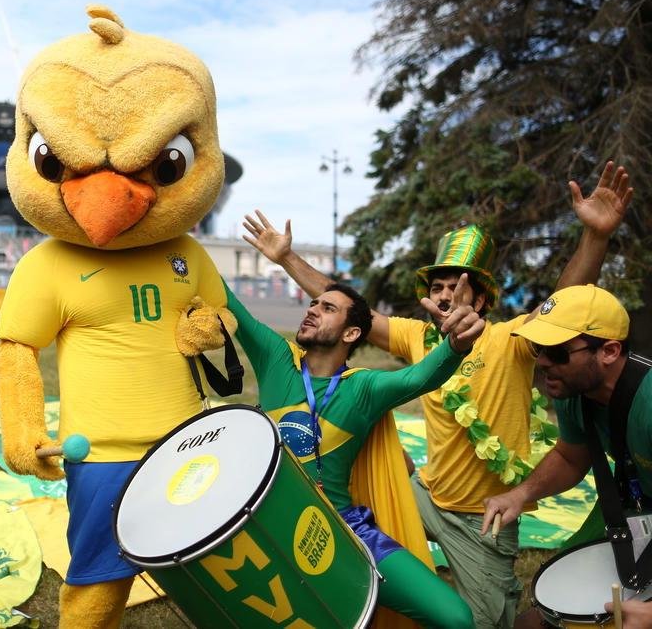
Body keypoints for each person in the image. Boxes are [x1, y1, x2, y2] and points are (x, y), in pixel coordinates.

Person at [242, 161, 633, 628]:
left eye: (458, 287)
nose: (446, 296)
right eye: (438, 288)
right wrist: (286, 259)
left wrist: (595, 237)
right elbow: (348, 307)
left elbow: (566, 303)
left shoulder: (512, 339)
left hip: (480, 518)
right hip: (424, 494)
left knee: (485, 623)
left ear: (482, 301)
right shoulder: (416, 337)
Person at [226, 275, 485, 628]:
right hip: (270, 530)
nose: (313, 310)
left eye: (328, 308)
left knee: (456, 618)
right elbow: (225, 300)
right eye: (314, 304)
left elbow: (420, 377)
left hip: (344, 531)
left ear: (350, 334)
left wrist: (456, 343)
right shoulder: (276, 360)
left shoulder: (361, 388)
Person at [481, 284, 651, 627]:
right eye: (538, 348)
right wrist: (520, 494)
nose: (542, 362)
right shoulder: (574, 389)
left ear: (609, 351)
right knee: (531, 622)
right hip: (632, 507)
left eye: (557, 352)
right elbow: (571, 457)